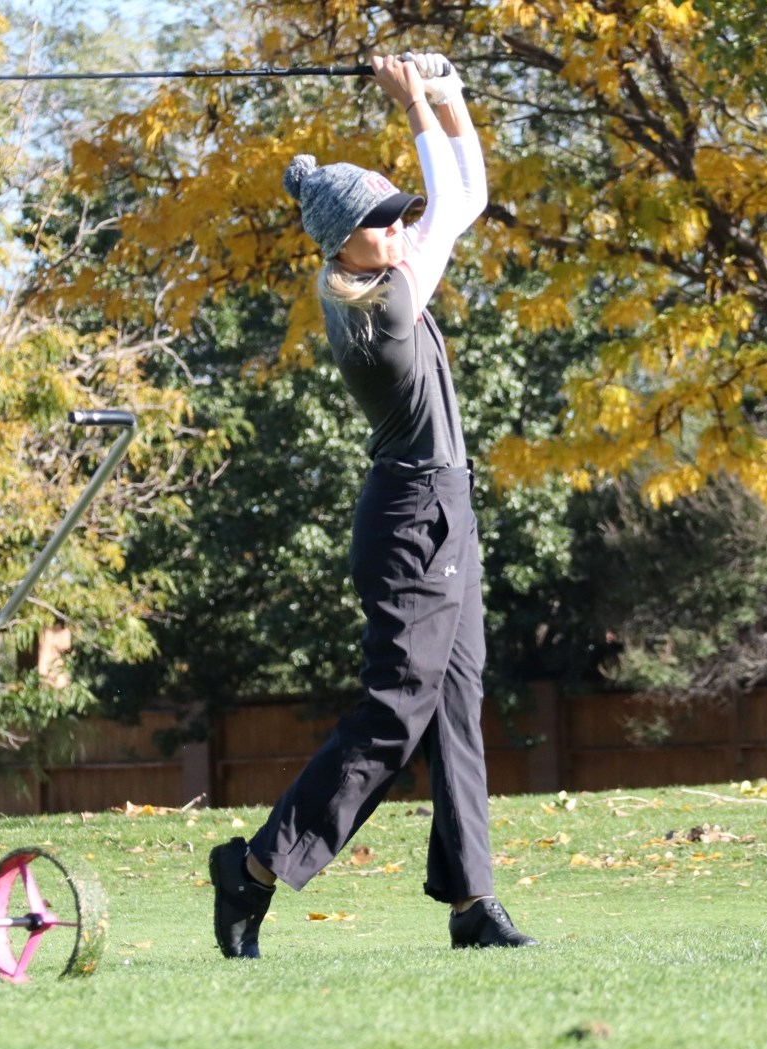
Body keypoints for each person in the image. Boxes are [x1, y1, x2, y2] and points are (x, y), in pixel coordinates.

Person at [208, 51, 536, 957]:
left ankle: (473, 902)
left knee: (459, 700)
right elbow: (453, 193)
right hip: (411, 522)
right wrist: (415, 103)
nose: (399, 225)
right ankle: (256, 868)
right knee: (395, 712)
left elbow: (458, 195)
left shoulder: (380, 273)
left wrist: (450, 93)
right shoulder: (378, 308)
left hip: (444, 512)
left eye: (397, 215)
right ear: (342, 241)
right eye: (379, 220)